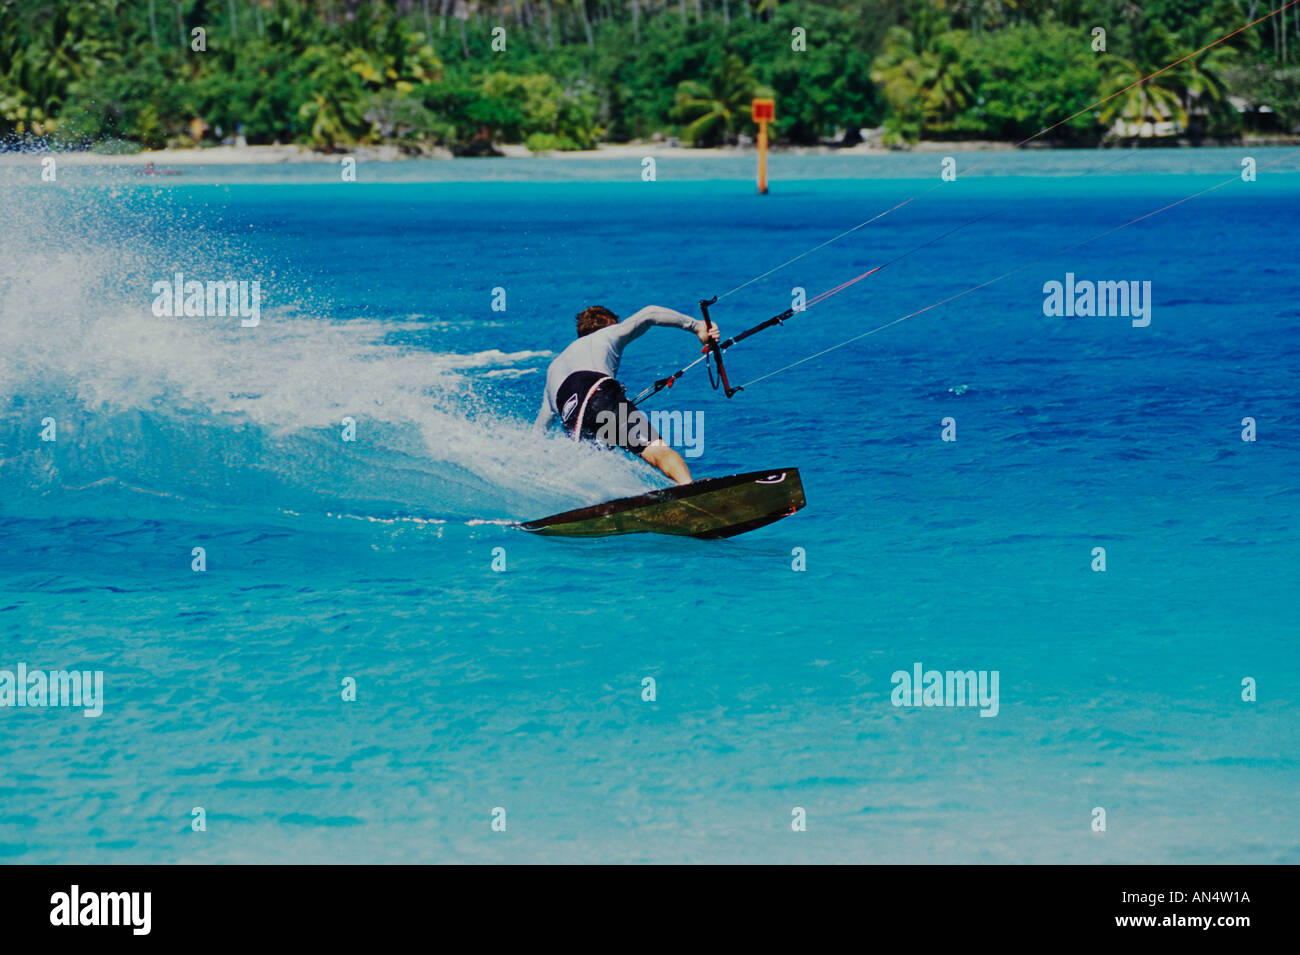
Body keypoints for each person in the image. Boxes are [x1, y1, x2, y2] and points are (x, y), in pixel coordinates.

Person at [533, 305, 719, 485]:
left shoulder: (553, 368)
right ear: (610, 323)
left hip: (571, 417)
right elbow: (650, 313)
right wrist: (697, 326)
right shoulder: (606, 334)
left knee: (592, 471)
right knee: (655, 449)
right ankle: (687, 486)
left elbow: (540, 429)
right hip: (598, 391)